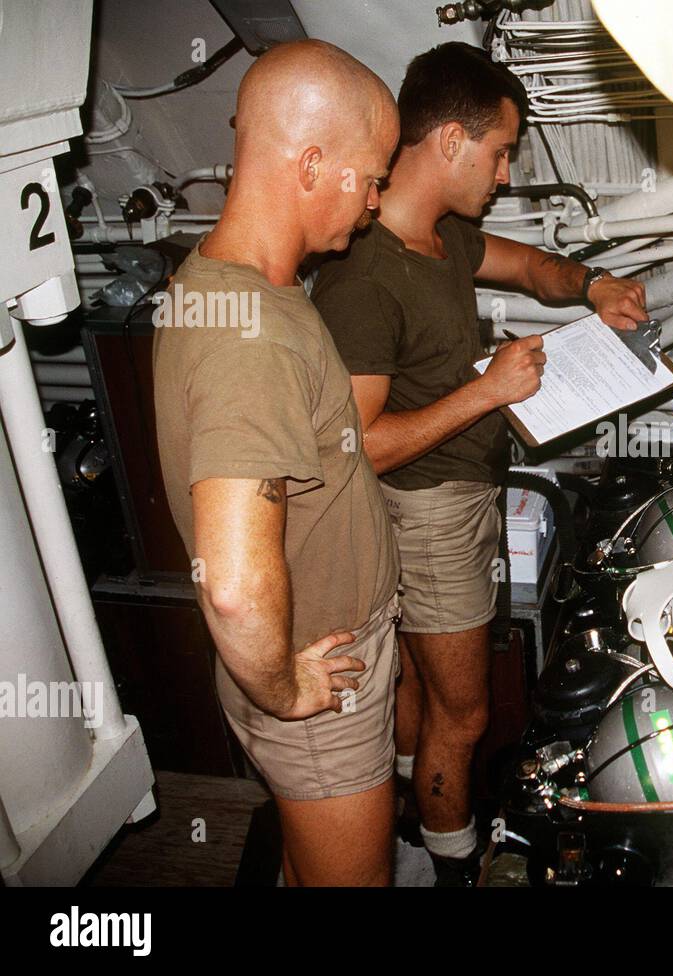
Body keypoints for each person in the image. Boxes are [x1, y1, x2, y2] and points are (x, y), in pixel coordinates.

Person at [311, 41, 647, 885]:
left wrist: (593, 283)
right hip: (426, 515)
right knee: (463, 716)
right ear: (450, 143)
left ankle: (404, 815)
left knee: (423, 700)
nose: (503, 173)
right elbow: (360, 443)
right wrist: (489, 391)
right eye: (499, 152)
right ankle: (458, 862)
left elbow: (532, 267)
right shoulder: (363, 278)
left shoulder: (442, 237)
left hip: (457, 499)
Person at [153, 40, 402, 886]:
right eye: (369, 178)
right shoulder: (248, 334)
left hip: (304, 660)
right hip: (314, 682)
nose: (373, 204)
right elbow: (232, 582)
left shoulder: (236, 284)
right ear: (309, 164)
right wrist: (285, 692)